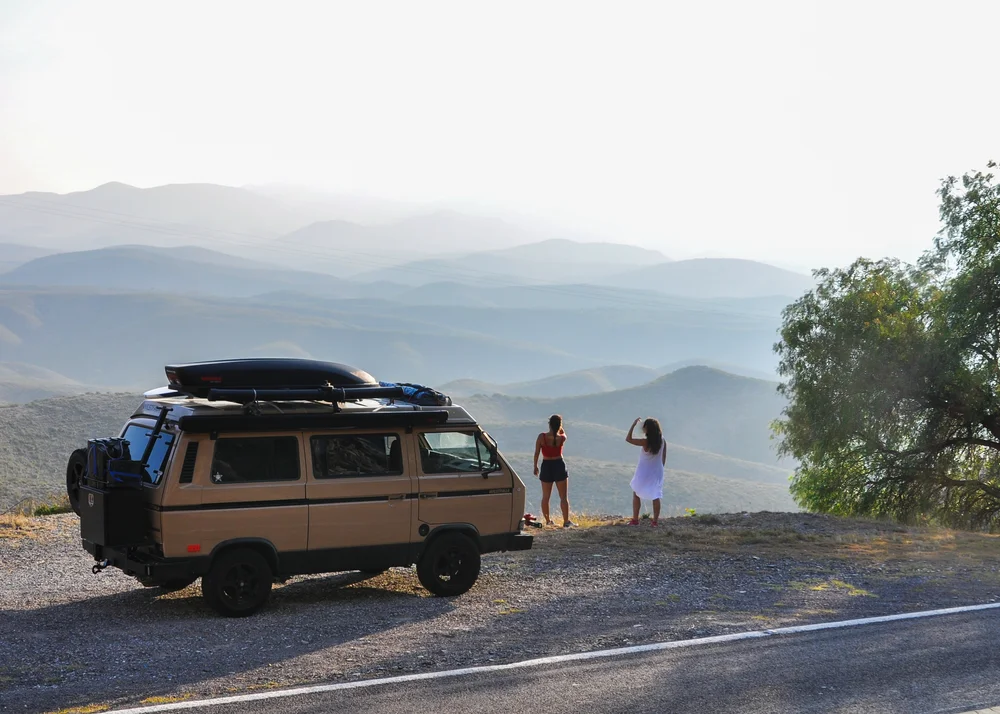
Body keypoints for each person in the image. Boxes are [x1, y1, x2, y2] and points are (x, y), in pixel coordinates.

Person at [533, 414, 576, 528]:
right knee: (563, 497)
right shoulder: (562, 438)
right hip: (559, 465)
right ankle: (566, 521)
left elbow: (537, 452)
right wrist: (561, 428)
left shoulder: (541, 437)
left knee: (546, 496)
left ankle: (548, 521)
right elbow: (564, 433)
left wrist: (535, 466)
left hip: (546, 465)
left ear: (549, 424)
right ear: (559, 425)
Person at [625, 417, 666, 526]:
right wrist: (659, 469)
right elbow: (663, 458)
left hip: (643, 471)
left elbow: (628, 439)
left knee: (636, 492)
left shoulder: (645, 442)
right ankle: (655, 521)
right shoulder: (662, 441)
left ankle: (635, 519)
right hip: (657, 471)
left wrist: (633, 425)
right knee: (656, 495)